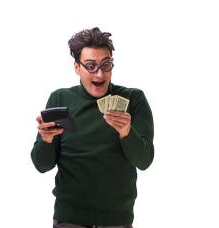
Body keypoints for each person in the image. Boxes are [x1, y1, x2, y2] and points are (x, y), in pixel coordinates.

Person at [31, 27, 154, 228]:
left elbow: (144, 160)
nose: (99, 73)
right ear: (77, 67)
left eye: (106, 65)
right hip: (69, 219)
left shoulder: (133, 99)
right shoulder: (60, 98)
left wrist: (126, 132)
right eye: (91, 66)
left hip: (117, 221)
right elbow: (42, 165)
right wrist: (46, 140)